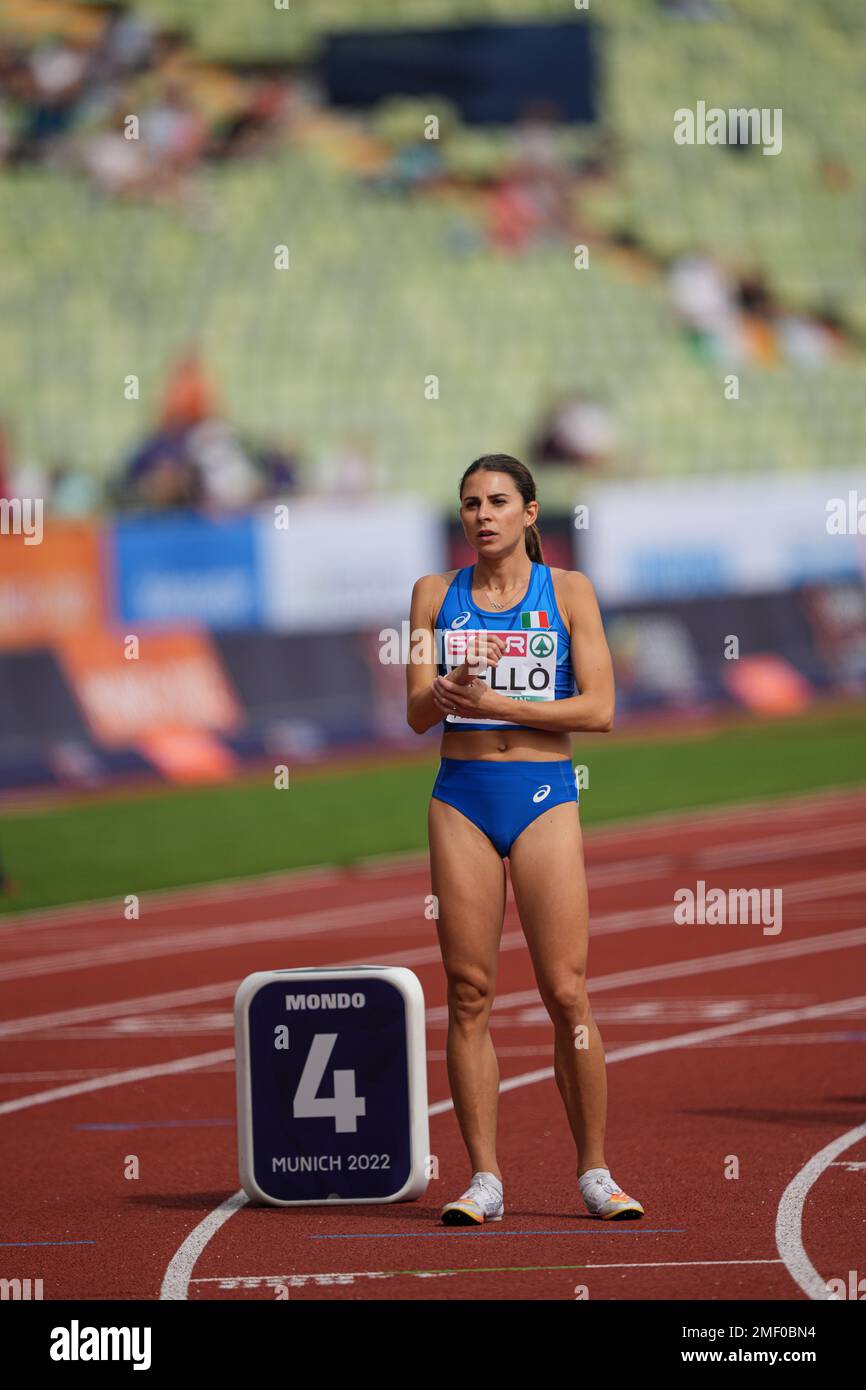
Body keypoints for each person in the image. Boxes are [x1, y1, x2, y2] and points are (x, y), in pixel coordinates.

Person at [406, 453, 644, 1225]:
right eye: (471, 502)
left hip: (543, 796)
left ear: (531, 512)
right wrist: (440, 692)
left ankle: (596, 1172)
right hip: (461, 797)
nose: (482, 515)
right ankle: (484, 1179)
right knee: (469, 993)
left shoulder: (569, 592)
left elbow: (600, 708)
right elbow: (414, 710)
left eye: (499, 501)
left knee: (565, 990)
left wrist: (502, 703)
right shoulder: (432, 596)